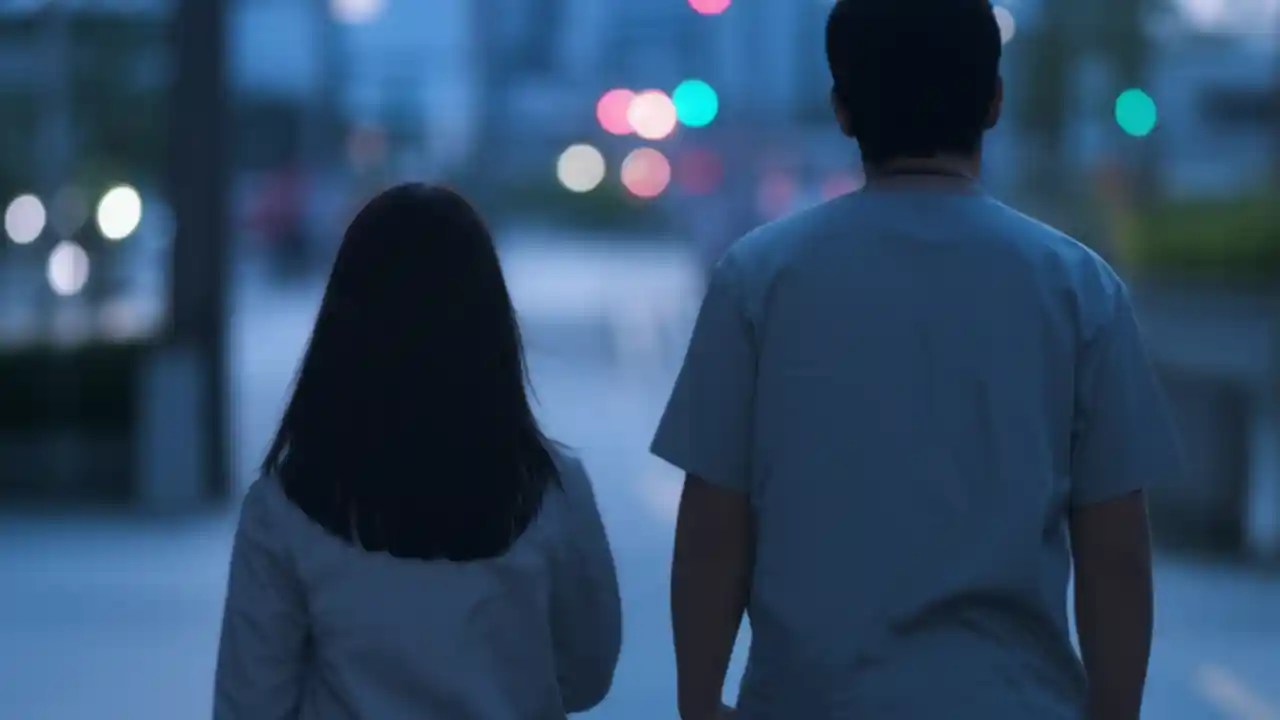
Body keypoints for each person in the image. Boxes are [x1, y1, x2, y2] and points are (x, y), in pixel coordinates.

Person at [652, 1, 1180, 718]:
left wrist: (696, 702)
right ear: (993, 102)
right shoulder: (1078, 287)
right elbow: (1116, 552)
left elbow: (713, 528)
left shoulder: (759, 278)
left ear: (842, 109)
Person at [214, 184, 621, 719]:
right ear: (490, 324)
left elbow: (251, 702)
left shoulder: (287, 504)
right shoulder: (551, 489)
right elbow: (586, 673)